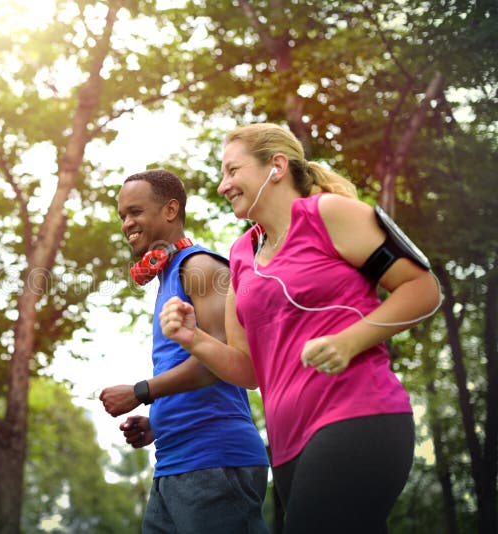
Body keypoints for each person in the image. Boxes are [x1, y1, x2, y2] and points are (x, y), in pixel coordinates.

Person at [160, 123, 441, 534]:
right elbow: (249, 370)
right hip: (289, 447)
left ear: (276, 166)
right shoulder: (242, 255)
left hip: (359, 416)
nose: (224, 185)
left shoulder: (329, 214)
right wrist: (194, 339)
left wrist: (349, 341)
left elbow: (423, 288)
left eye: (233, 171)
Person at [99, 169, 270, 534]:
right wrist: (157, 423)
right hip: (174, 464)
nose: (127, 223)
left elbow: (223, 362)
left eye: (135, 212)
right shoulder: (170, 276)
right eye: (122, 216)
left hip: (214, 461)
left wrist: (139, 392)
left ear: (171, 210)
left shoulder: (200, 267)